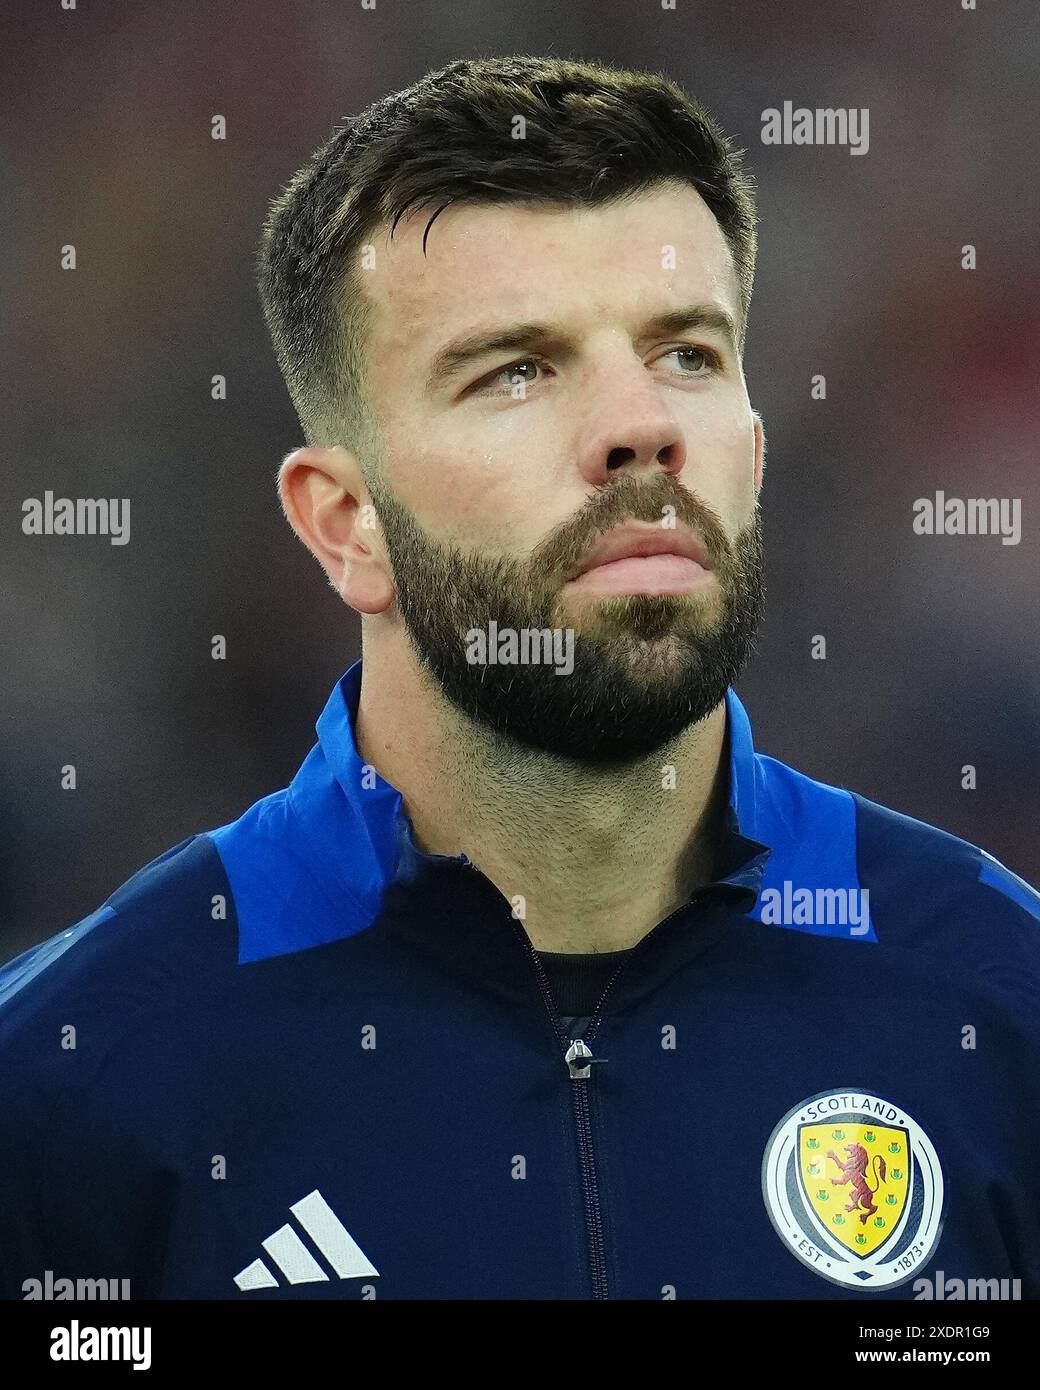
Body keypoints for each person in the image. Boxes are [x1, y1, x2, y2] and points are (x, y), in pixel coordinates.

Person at [2, 54, 1038, 1302]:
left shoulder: (995, 1000)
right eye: (516, 370)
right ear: (344, 525)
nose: (639, 425)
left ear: (751, 456)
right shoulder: (71, 1080)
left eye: (688, 355)